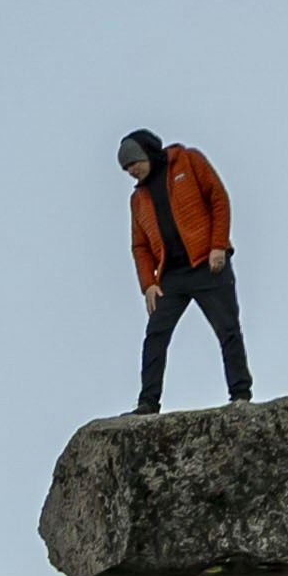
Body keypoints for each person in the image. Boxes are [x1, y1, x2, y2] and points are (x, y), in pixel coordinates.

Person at [119, 127, 253, 411]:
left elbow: (218, 198)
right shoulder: (138, 199)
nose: (131, 170)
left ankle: (240, 395)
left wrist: (218, 245)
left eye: (134, 163)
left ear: (148, 153)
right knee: (156, 335)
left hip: (208, 264)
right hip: (172, 276)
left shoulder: (188, 161)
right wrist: (148, 284)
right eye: (126, 167)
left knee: (227, 328)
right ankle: (147, 403)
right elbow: (140, 246)